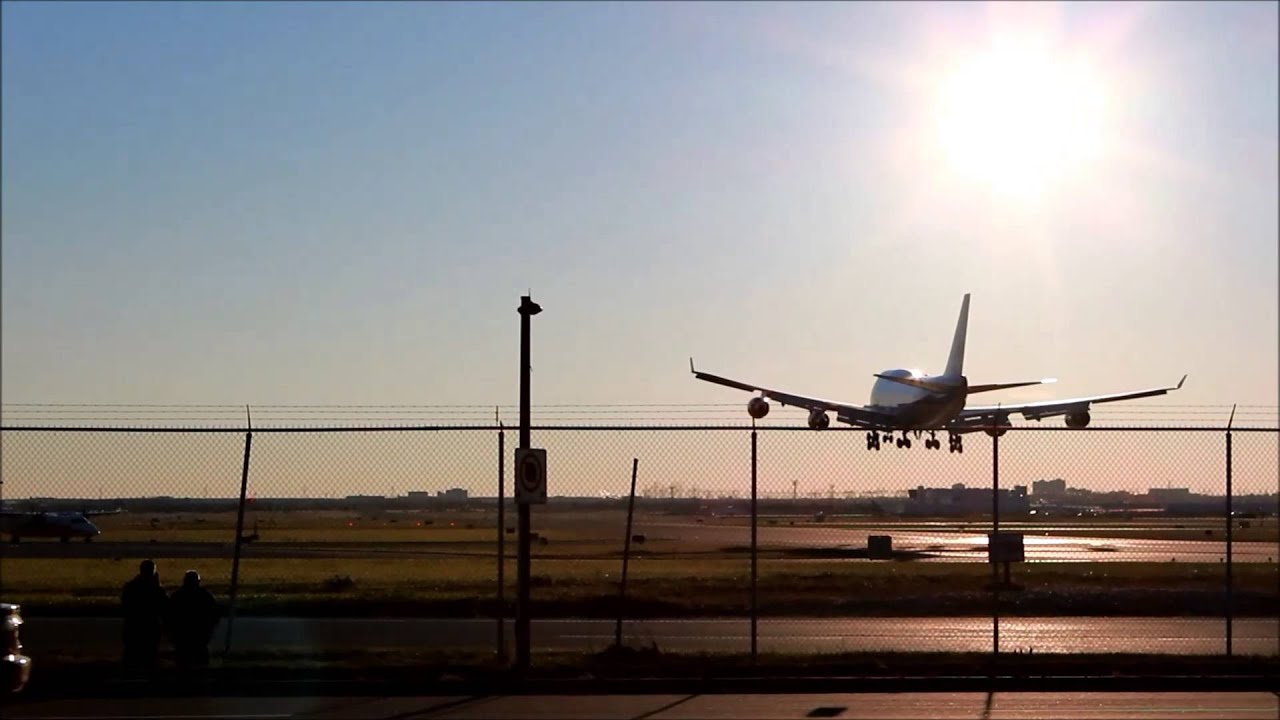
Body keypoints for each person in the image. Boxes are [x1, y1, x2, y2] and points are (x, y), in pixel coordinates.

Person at [166, 570, 219, 668]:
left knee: (182, 663)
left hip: (182, 637)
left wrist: (172, 633)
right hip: (200, 636)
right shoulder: (205, 596)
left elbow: (169, 616)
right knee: (200, 663)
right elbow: (214, 615)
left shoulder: (177, 596)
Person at [121, 559, 167, 671]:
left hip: (133, 626)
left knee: (132, 657)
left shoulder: (130, 586)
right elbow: (164, 606)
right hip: (150, 627)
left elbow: (125, 605)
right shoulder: (156, 589)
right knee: (149, 658)